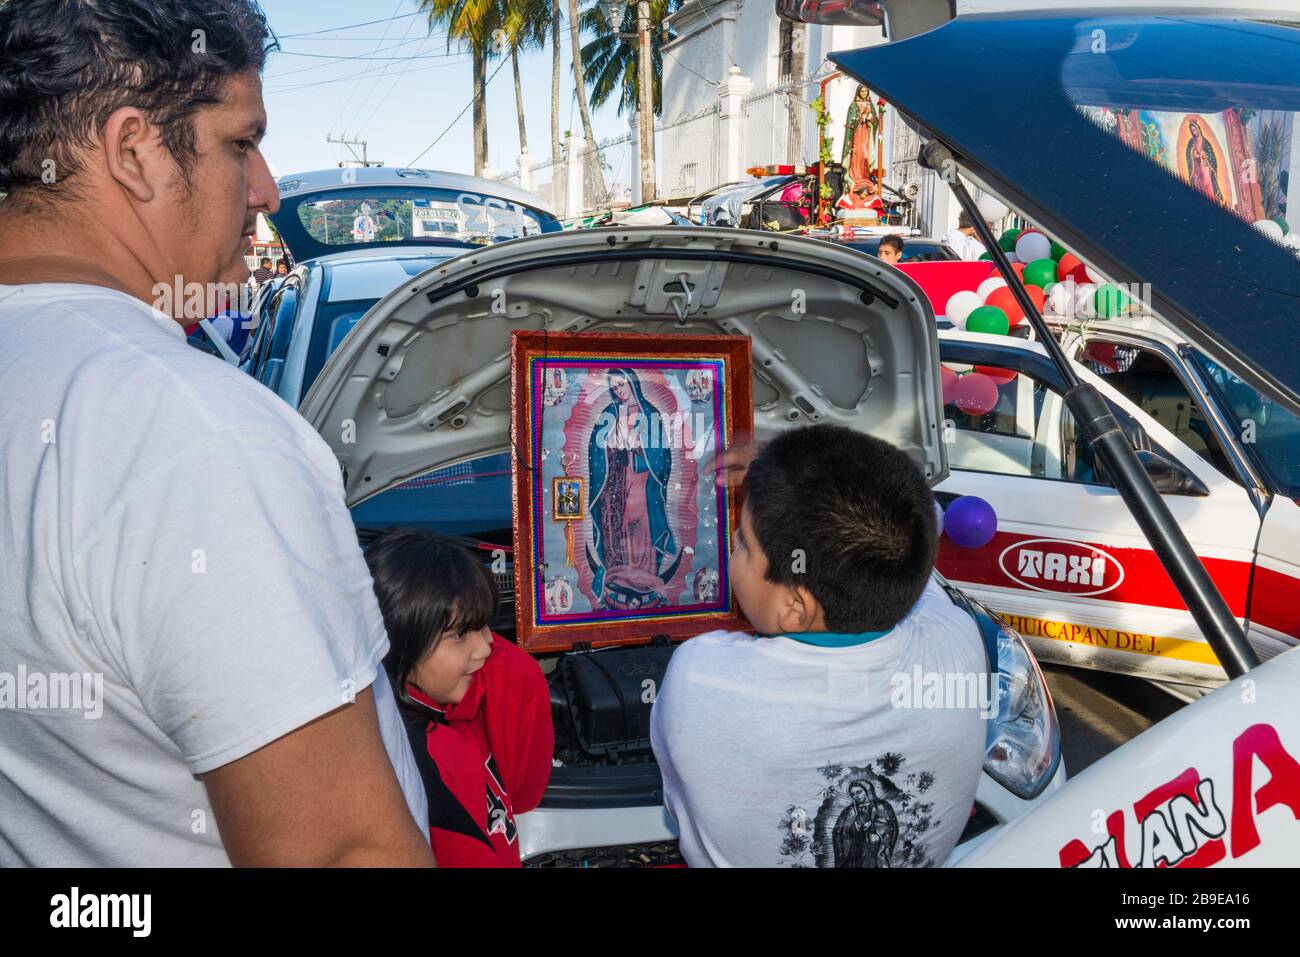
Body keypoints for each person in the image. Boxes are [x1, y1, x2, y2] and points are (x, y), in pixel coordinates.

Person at [0, 0, 433, 866]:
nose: (267, 188)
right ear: (133, 151)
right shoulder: (193, 435)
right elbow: (345, 852)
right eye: (242, 142)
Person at [651, 424, 987, 868]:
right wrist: (789, 473)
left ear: (794, 605)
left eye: (742, 544)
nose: (733, 551)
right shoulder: (958, 641)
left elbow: (678, 805)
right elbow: (917, 531)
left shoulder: (699, 675)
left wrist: (777, 462)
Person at [365, 531, 553, 867]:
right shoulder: (407, 766)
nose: (485, 646)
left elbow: (525, 794)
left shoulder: (463, 697)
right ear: (398, 639)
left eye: (485, 626)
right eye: (460, 635)